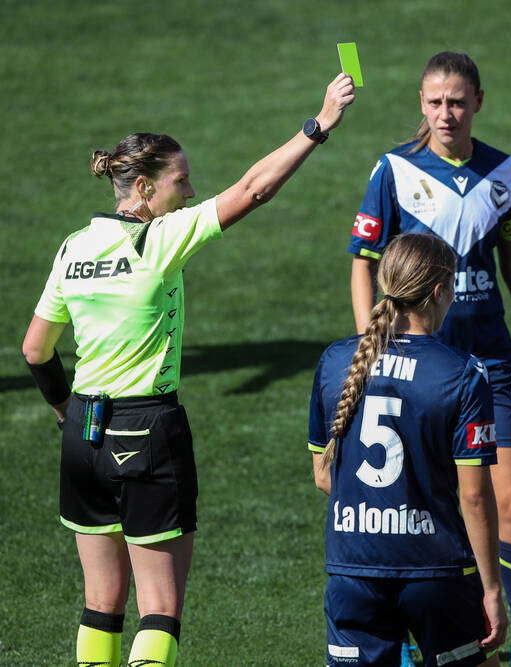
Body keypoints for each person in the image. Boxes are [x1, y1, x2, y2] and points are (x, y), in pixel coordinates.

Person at [22, 73, 355, 666]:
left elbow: (35, 350)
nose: (191, 189)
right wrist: (319, 125)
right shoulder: (159, 241)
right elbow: (253, 190)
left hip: (83, 436)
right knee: (159, 607)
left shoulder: (73, 246)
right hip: (147, 432)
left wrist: (65, 413)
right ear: (145, 189)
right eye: (181, 181)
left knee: (100, 603)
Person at [347, 51, 511, 667]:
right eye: (435, 102)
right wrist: (374, 347)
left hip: (490, 363)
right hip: (418, 360)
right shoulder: (394, 170)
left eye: (457, 102)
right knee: (427, 505)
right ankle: (426, 638)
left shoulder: (505, 171)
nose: (446, 113)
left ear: (478, 102)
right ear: (421, 104)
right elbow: (363, 264)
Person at [308, 233, 507, 666]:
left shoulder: (336, 360)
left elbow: (325, 475)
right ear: (439, 291)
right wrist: (491, 588)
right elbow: (475, 497)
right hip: (437, 570)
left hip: (352, 565)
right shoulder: (463, 373)